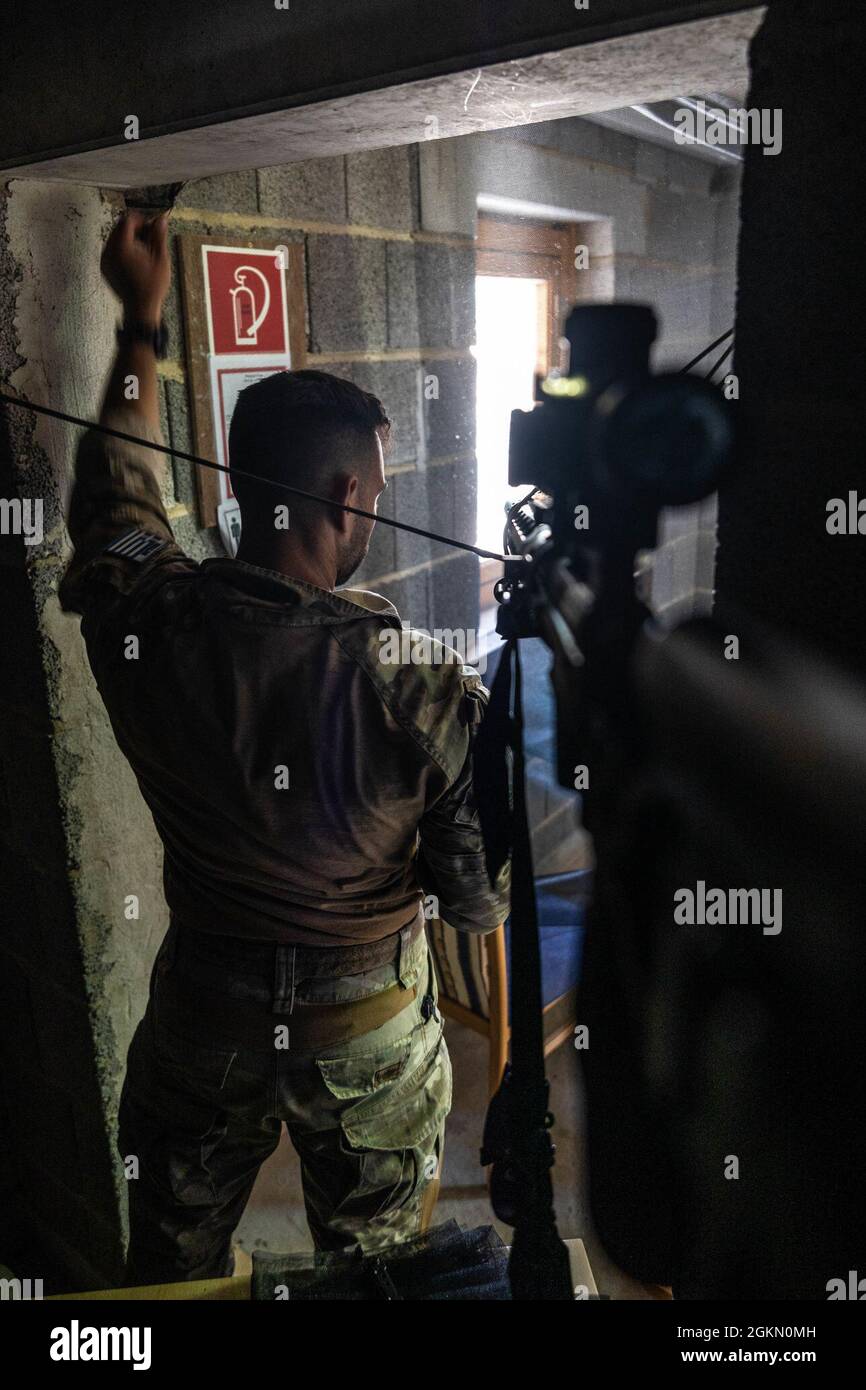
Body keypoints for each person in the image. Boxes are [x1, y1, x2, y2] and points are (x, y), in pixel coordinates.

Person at [58, 211, 510, 1285]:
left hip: (200, 1021)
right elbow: (470, 892)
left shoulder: (151, 619)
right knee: (376, 1277)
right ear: (347, 495)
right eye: (376, 491)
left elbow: (115, 505)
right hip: (368, 1040)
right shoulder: (414, 681)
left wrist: (141, 324)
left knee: (170, 1272)